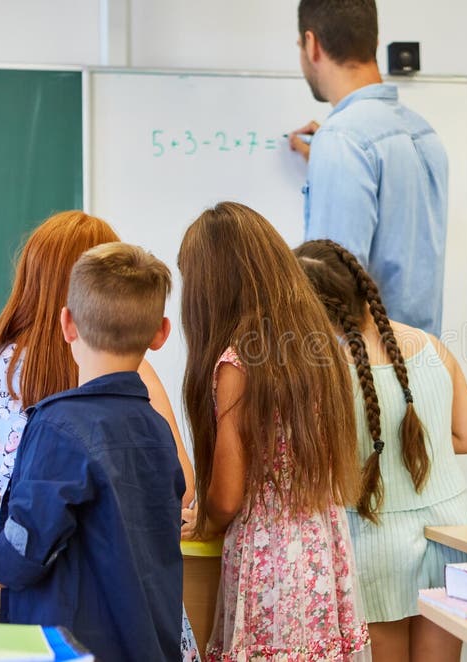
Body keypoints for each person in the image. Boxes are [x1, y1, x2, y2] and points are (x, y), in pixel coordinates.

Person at [0, 210, 199, 658]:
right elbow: (181, 489)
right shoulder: (132, 374)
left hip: (60, 630)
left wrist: (11, 481)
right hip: (144, 624)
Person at [178, 202, 369, 661]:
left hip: (270, 565)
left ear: (215, 287)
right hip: (323, 550)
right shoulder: (317, 346)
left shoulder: (237, 363)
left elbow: (227, 497)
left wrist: (201, 520)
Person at [295, 239, 467, 662]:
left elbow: (326, 473)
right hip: (451, 536)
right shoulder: (434, 348)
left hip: (374, 541)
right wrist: (416, 451)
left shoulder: (328, 374)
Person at [288, 0, 449, 335]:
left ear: (312, 43)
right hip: (423, 367)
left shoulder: (342, 141)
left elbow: (331, 292)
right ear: (374, 44)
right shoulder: (424, 134)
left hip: (368, 377)